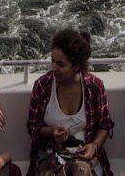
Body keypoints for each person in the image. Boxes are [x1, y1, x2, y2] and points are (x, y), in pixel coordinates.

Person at [26, 28, 114, 176]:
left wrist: (94, 145)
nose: (54, 68)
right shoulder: (43, 85)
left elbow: (104, 125)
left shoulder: (95, 86)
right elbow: (33, 127)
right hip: (51, 154)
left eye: (61, 64)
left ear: (76, 66)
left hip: (83, 153)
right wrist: (51, 132)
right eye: (52, 61)